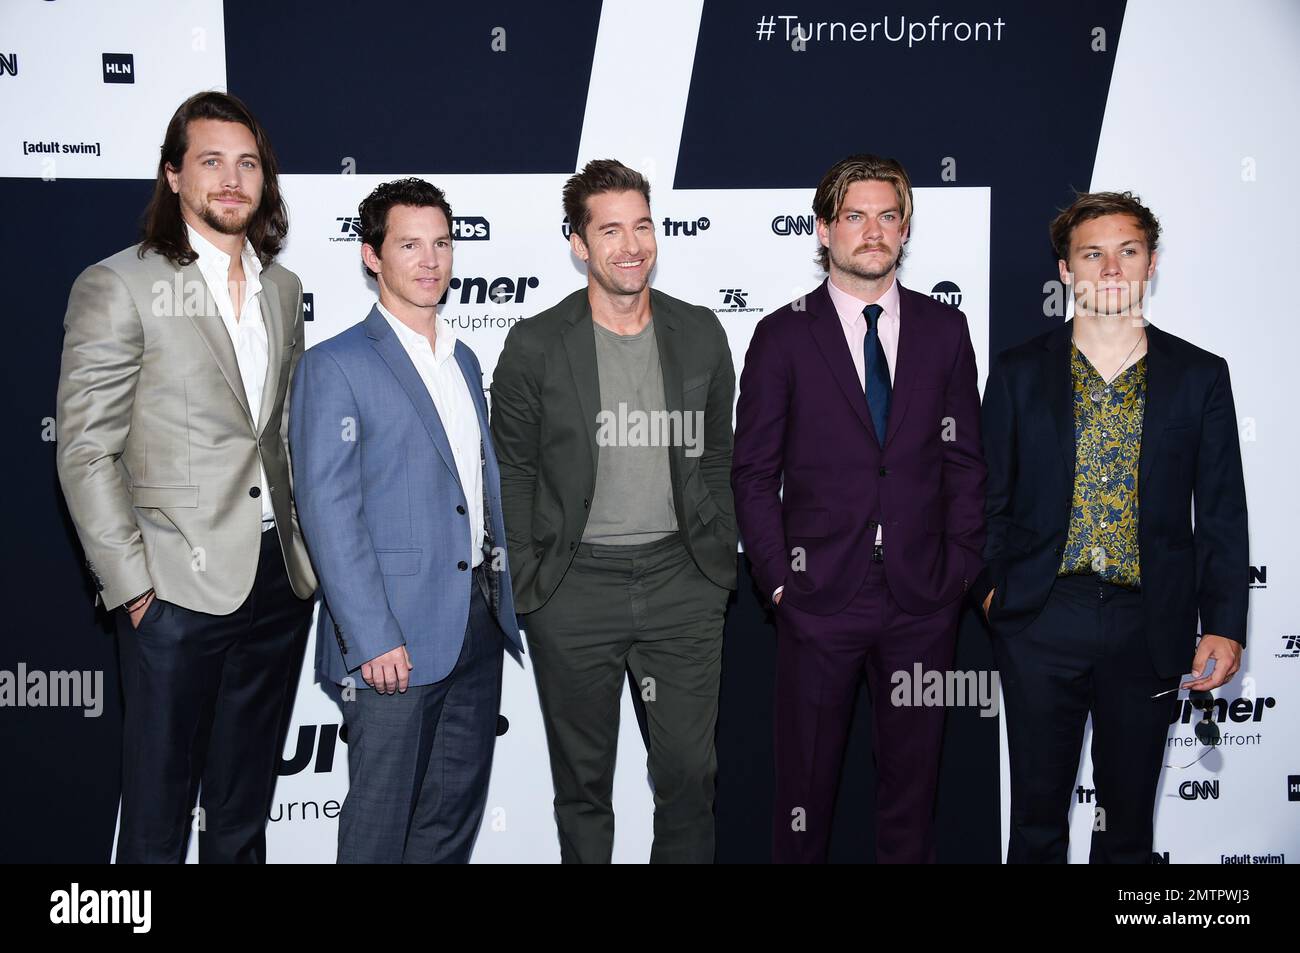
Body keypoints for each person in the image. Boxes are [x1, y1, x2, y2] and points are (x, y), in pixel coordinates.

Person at [55, 91, 316, 863]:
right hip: (172, 591)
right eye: (210, 162)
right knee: (157, 824)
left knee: (242, 816)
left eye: (247, 164)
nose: (232, 180)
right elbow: (84, 449)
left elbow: (277, 433)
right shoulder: (119, 284)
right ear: (173, 175)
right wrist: (134, 587)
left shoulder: (282, 288)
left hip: (275, 583)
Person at [975, 191, 1248, 863]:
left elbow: (1219, 508)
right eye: (1091, 254)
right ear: (1066, 271)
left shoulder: (1200, 375)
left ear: (1150, 263)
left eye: (1127, 251)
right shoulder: (1016, 372)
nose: (1111, 268)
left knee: (1125, 830)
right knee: (1036, 821)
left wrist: (1224, 622)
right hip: (1042, 617)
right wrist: (992, 592)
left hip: (1147, 621)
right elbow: (984, 498)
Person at [732, 153, 985, 863]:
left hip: (923, 598)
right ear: (824, 229)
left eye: (887, 215)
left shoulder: (945, 331)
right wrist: (780, 580)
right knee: (803, 798)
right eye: (855, 216)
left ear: (905, 229)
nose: (872, 231)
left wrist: (959, 568)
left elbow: (966, 460)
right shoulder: (783, 333)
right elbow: (752, 471)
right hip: (819, 598)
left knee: (913, 795)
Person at [490, 159, 736, 863]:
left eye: (642, 225)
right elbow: (513, 469)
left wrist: (715, 559)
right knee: (583, 785)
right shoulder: (536, 344)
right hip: (574, 589)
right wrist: (534, 581)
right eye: (610, 230)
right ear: (578, 243)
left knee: (690, 775)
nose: (631, 245)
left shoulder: (699, 332)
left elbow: (717, 454)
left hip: (682, 582)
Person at [290, 178, 522, 863]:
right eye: (409, 244)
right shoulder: (335, 364)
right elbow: (328, 511)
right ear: (372, 256)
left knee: (448, 827)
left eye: (442, 243)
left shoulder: (464, 358)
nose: (430, 260)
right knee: (378, 831)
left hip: (474, 624)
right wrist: (371, 637)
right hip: (389, 641)